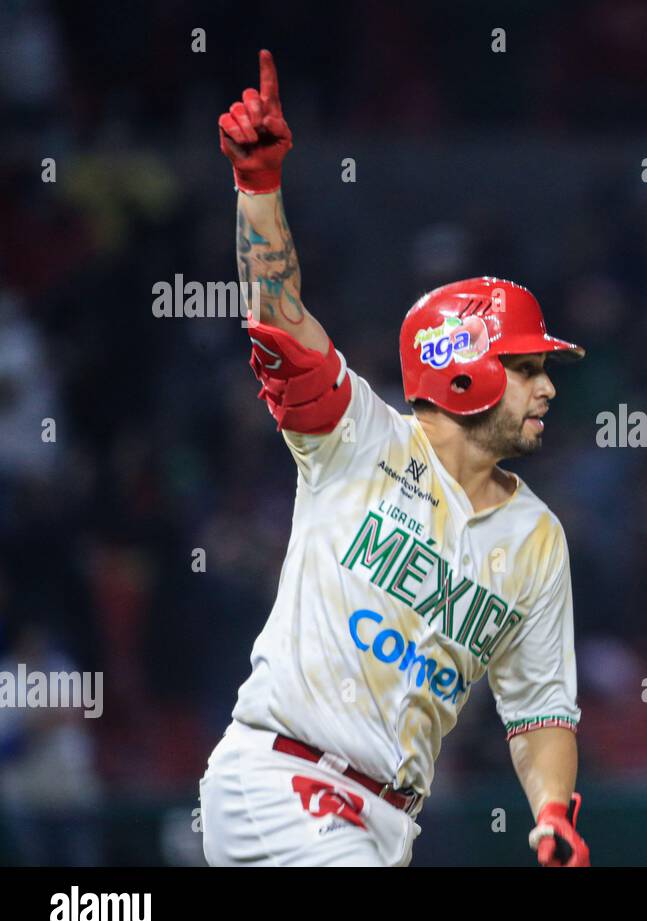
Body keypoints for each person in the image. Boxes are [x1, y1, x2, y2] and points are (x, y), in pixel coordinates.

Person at [199, 51, 588, 867]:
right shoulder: (360, 438)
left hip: (384, 820)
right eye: (526, 367)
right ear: (463, 365)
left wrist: (554, 811)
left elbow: (541, 713)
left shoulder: (538, 538)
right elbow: (278, 319)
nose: (546, 386)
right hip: (283, 780)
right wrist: (259, 187)